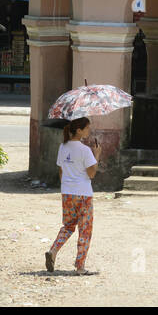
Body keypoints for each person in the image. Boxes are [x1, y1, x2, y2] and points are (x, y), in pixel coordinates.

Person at [46, 117, 99, 275]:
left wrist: (67, 187)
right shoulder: (85, 150)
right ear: (79, 130)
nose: (89, 131)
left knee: (68, 226)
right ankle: (80, 266)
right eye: (87, 128)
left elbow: (61, 170)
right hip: (83, 194)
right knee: (85, 230)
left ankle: (53, 250)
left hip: (67, 193)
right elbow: (91, 174)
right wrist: (97, 155)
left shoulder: (63, 147)